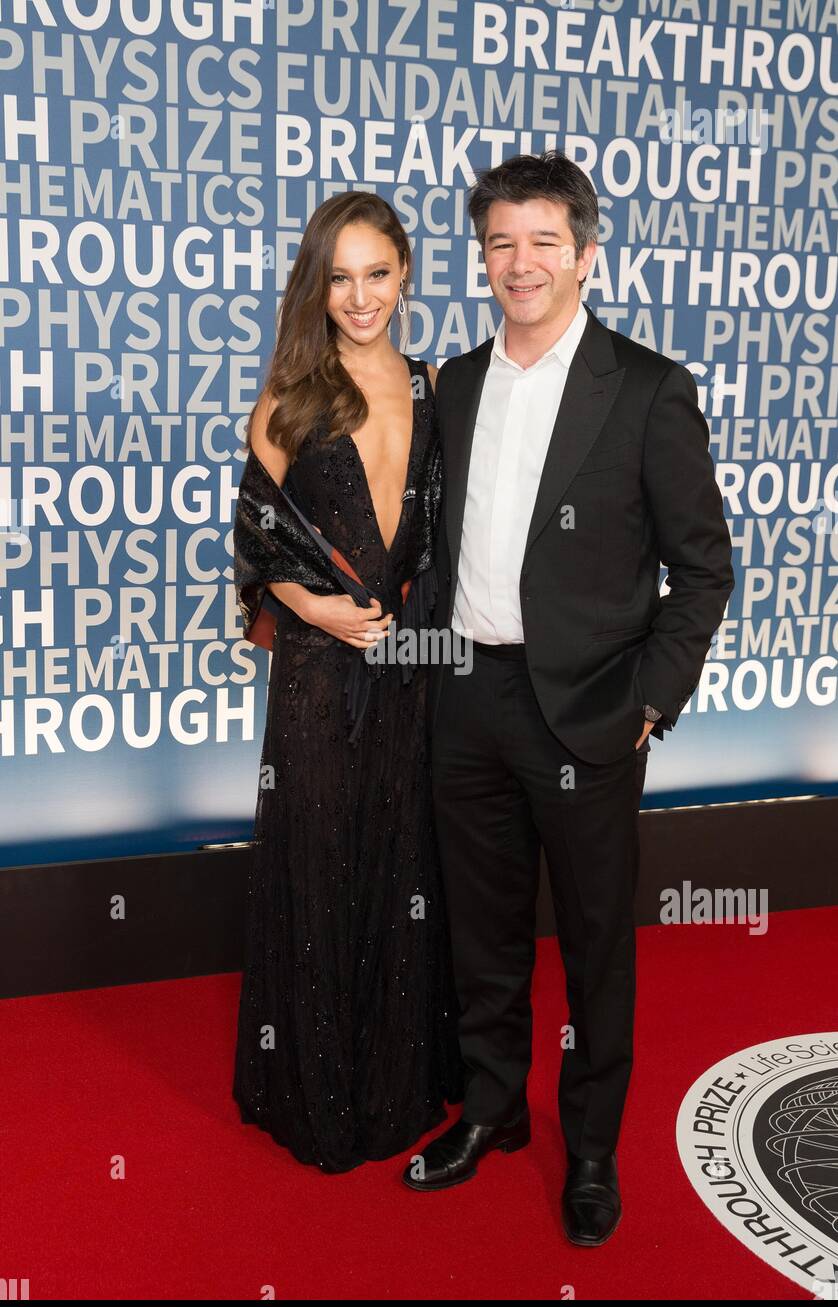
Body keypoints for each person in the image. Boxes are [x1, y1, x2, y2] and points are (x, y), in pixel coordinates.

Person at [402, 151, 735, 1245]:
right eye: (500, 241)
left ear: (587, 254)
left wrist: (648, 701)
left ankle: (588, 1146)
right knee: (481, 930)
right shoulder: (451, 382)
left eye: (544, 240)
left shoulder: (643, 388)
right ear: (482, 257)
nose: (520, 261)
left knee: (595, 942)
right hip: (467, 698)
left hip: (590, 711)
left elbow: (704, 568)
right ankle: (491, 1109)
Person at [231, 191, 463, 1174]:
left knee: (405, 866)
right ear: (316, 286)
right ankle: (318, 1094)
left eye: (377, 273)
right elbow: (254, 543)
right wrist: (313, 609)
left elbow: (458, 529)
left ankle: (400, 1081)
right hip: (323, 676)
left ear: (403, 273)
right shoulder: (286, 400)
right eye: (341, 276)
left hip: (410, 665)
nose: (360, 296)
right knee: (321, 868)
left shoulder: (435, 385)